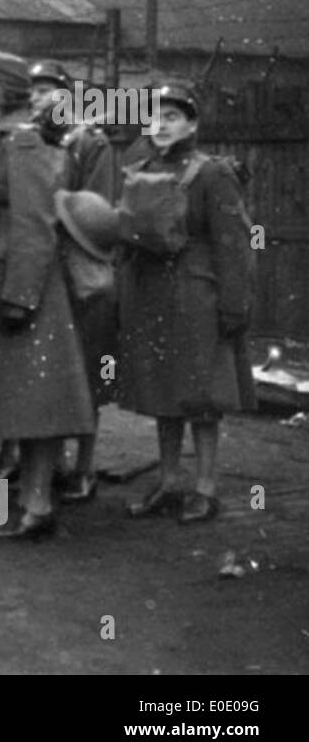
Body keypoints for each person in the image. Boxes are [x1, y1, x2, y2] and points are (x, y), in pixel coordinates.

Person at [0, 50, 95, 540]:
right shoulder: (13, 140)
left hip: (23, 279)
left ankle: (37, 507)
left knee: (35, 399)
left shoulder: (24, 141)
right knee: (23, 398)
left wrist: (23, 296)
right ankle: (32, 503)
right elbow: (3, 196)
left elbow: (35, 221)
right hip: (6, 269)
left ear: (0, 91)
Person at [119, 81, 256, 524]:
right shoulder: (140, 168)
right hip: (151, 293)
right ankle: (169, 481)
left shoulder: (213, 173)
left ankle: (205, 487)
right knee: (162, 392)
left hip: (197, 296)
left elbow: (234, 243)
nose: (160, 124)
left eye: (172, 116)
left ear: (192, 123)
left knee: (200, 395)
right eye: (154, 115)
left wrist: (234, 306)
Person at [29, 60, 118, 502]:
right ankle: (51, 463)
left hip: (76, 264)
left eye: (47, 91)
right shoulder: (32, 142)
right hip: (41, 265)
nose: (38, 98)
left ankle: (84, 466)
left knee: (87, 368)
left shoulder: (90, 143)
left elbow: (97, 210)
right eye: (34, 91)